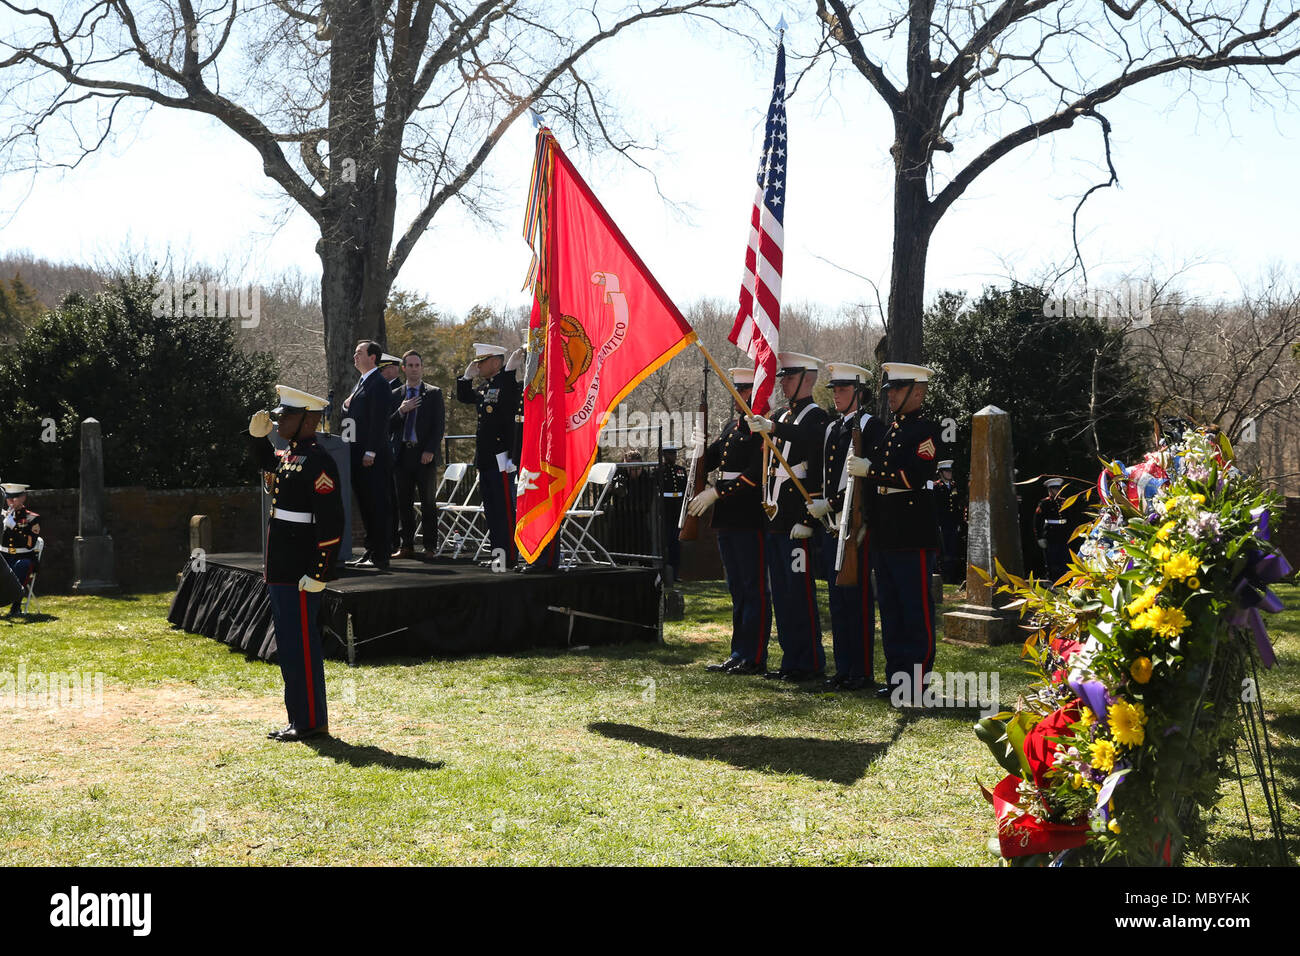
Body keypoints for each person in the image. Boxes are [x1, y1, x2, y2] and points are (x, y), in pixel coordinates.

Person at [248, 386, 345, 742]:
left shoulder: (319, 460)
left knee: (302, 647)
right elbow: (269, 468)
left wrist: (320, 572)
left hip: (302, 571)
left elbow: (332, 522)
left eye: (286, 416)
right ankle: (299, 719)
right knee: (290, 646)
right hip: (283, 569)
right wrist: (258, 440)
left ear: (308, 420)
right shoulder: (292, 455)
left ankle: (310, 722)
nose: (279, 421)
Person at [846, 362, 943, 704]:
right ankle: (897, 679)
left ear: (918, 392)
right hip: (886, 529)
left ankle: (917, 683)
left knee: (914, 609)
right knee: (890, 609)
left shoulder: (926, 431)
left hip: (911, 531)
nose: (891, 396)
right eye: (889, 391)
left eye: (898, 390)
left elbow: (913, 477)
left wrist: (871, 470)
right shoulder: (890, 431)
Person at [746, 352, 829, 682]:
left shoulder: (816, 417)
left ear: (808, 380)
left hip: (797, 519)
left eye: (790, 378)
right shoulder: (782, 414)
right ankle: (791, 659)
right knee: (781, 592)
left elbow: (813, 445)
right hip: (776, 519)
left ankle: (809, 660)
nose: (783, 384)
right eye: (782, 378)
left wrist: (807, 521)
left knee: (800, 593)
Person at [688, 368, 771, 675]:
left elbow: (753, 476)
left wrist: (716, 492)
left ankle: (755, 655)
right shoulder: (732, 426)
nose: (738, 396)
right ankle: (739, 652)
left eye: (744, 390)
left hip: (749, 515)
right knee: (736, 587)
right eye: (736, 389)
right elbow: (711, 460)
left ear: (757, 391)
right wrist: (696, 447)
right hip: (727, 518)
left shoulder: (762, 429)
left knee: (754, 588)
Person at [807, 363, 881, 691]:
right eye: (833, 389)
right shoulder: (832, 428)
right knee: (837, 602)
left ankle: (861, 671)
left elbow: (865, 485)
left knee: (857, 602)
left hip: (856, 527)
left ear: (859, 393)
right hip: (832, 526)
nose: (835, 394)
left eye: (842, 389)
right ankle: (843, 668)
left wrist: (834, 505)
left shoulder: (871, 427)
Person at [456, 343, 521, 565]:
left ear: (495, 362)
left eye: (482, 362)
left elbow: (511, 395)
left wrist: (509, 372)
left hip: (501, 457)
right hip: (485, 458)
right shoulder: (487, 387)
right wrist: (466, 378)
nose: (478, 366)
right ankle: (498, 556)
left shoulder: (505, 384)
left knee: (504, 511)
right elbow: (465, 397)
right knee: (491, 511)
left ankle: (509, 557)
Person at [341, 340, 394, 570]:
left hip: (372, 457)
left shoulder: (378, 383)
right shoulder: (361, 383)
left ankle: (381, 554)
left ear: (373, 357)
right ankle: (370, 550)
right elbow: (355, 418)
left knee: (376, 505)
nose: (355, 356)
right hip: (356, 453)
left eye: (359, 352)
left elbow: (379, 421)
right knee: (365, 505)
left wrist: (370, 450)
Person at [390, 349, 446, 558]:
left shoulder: (433, 393)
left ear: (422, 368)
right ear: (404, 369)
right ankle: (406, 546)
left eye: (417, 365)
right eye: (410, 366)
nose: (414, 369)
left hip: (424, 456)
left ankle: (430, 546)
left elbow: (438, 426)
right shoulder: (396, 395)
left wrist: (430, 450)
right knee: (403, 503)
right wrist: (401, 411)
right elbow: (387, 425)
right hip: (402, 455)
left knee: (428, 503)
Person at [2, 483, 40, 616]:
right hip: (4, 556)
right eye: (8, 498)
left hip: (23, 557)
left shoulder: (32, 518)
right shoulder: (2, 516)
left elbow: (30, 544)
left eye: (15, 497)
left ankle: (15, 606)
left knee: (22, 566)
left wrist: (14, 527)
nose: (11, 501)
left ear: (23, 497)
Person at [934, 460, 968, 585]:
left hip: (953, 524)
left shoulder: (954, 486)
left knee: (953, 551)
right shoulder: (936, 487)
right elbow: (935, 507)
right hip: (942, 524)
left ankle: (952, 577)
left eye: (950, 471)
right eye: (947, 471)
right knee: (944, 552)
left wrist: (960, 522)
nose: (950, 474)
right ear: (941, 473)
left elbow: (958, 505)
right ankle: (944, 577)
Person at [658, 443, 687, 585]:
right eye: (670, 454)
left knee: (676, 544)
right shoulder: (659, 470)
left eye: (674, 454)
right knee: (665, 543)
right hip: (665, 510)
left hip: (678, 509)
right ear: (665, 455)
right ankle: (664, 574)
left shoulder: (680, 470)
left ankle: (675, 574)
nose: (673, 456)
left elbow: (686, 489)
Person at [1035, 477, 1072, 582]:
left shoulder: (1064, 502)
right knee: (1052, 559)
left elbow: (1070, 519)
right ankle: (1053, 580)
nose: (1057, 491)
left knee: (1065, 558)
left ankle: (1065, 581)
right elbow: (1037, 521)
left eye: (1058, 489)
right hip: (1051, 534)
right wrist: (1040, 537)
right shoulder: (1044, 503)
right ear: (1050, 490)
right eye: (1054, 489)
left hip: (1063, 534)